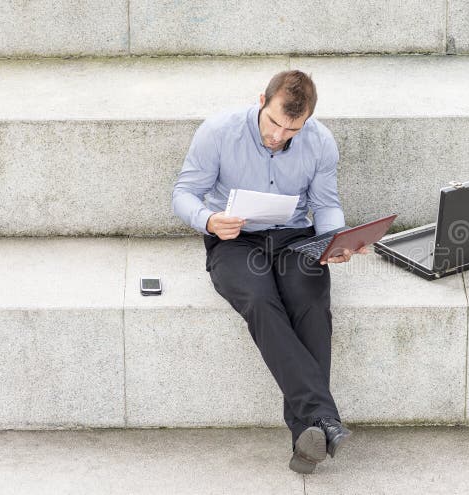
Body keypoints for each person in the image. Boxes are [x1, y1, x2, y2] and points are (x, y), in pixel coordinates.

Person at [172, 70, 365, 474]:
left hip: (295, 238)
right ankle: (322, 420)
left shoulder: (320, 142)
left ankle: (308, 434)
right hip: (235, 240)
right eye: (275, 122)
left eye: (292, 128)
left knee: (312, 304)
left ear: (307, 119)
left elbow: (325, 203)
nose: (279, 135)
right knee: (260, 300)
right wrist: (209, 220)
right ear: (262, 100)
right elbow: (184, 194)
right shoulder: (219, 132)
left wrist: (335, 240)